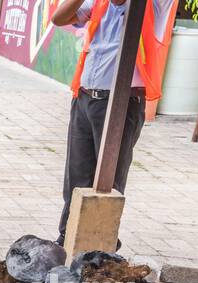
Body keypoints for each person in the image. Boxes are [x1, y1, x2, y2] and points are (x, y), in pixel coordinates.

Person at [53, 0, 175, 245]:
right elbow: (59, 18)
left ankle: (100, 244)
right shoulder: (98, 3)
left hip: (121, 102)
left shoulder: (153, 5)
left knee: (108, 181)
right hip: (86, 97)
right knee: (76, 177)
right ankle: (67, 238)